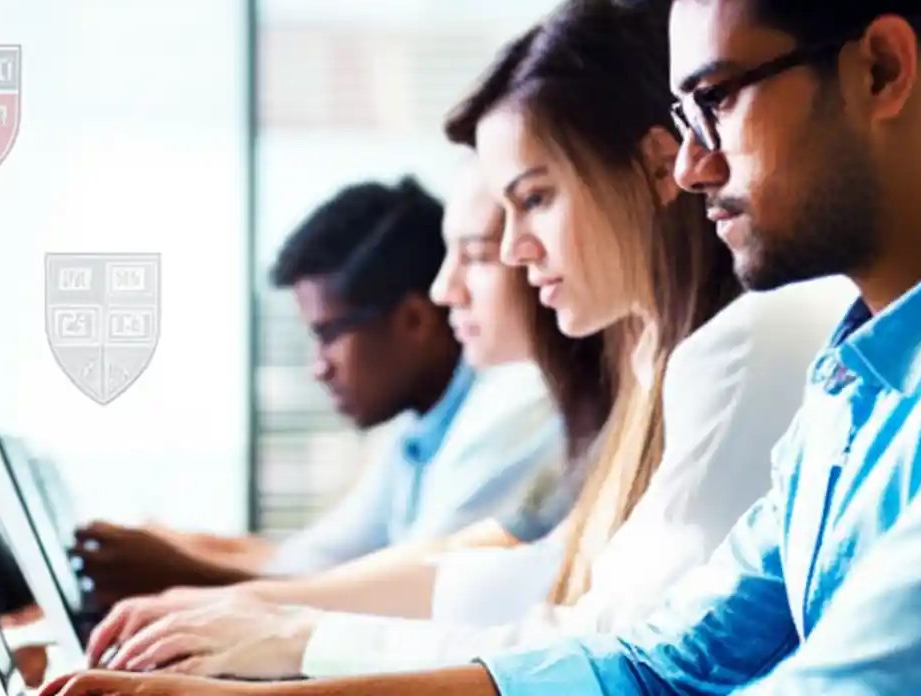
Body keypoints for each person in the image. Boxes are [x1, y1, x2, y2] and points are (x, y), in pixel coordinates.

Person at [38, 0, 853, 694]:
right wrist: (266, 612)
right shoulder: (662, 367)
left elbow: (611, 654)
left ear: (652, 168)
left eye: (534, 200)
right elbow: (536, 575)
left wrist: (291, 633)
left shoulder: (742, 347)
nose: (510, 251)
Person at [75, 176, 574, 607]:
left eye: (328, 334)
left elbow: (416, 594)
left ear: (413, 320)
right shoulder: (418, 434)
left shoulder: (514, 402)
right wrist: (184, 551)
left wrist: (179, 574)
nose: (318, 367)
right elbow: (319, 560)